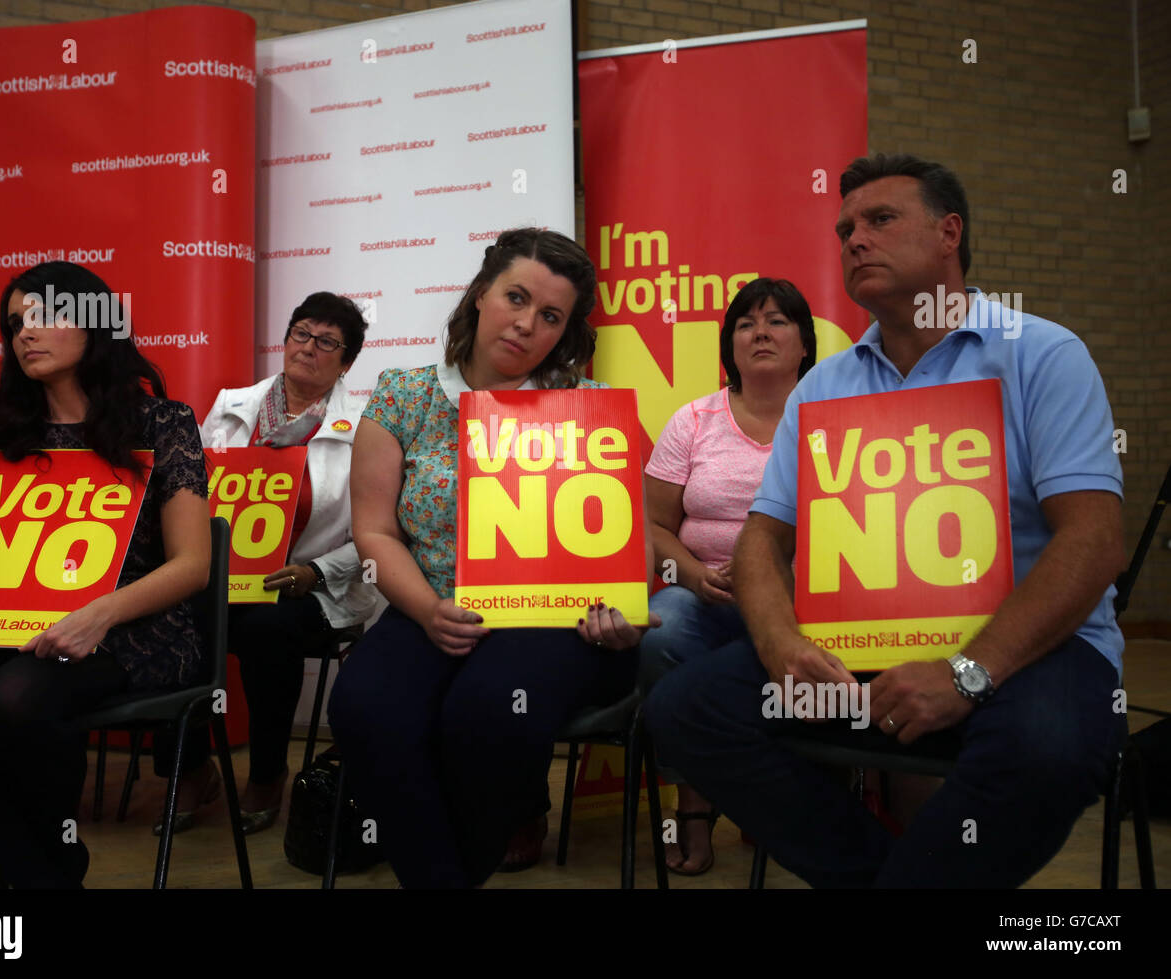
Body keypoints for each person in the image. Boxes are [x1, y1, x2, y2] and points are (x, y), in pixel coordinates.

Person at [647, 153, 1126, 888]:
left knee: (1045, 750)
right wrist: (778, 644)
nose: (854, 240)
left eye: (879, 220)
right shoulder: (825, 386)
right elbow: (764, 540)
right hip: (863, 653)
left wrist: (968, 672)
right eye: (844, 231)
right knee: (689, 708)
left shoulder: (1044, 356)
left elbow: (1093, 541)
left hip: (1034, 652)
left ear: (949, 234)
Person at [328, 228, 658, 888]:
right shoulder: (404, 395)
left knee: (486, 711)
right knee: (365, 706)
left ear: (563, 332)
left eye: (550, 316)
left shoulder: (588, 408)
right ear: (481, 295)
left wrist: (621, 611)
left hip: (554, 622)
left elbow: (635, 551)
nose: (526, 324)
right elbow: (375, 532)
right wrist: (426, 609)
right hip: (433, 605)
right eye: (516, 297)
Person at [0, 261, 210, 887]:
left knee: (17, 695)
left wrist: (99, 613)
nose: (25, 334)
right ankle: (41, 872)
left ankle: (40, 871)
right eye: (15, 324)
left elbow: (193, 565)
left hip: (128, 625)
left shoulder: (162, 423)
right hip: (6, 618)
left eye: (45, 315)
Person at [154, 292, 375, 836]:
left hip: (313, 587)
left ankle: (268, 773)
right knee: (165, 618)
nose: (308, 348)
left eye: (327, 342)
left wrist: (315, 573)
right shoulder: (233, 406)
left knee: (265, 629)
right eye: (301, 333)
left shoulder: (366, 425)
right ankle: (190, 766)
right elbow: (192, 497)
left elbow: (377, 532)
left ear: (346, 362)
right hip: (221, 579)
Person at [641, 277, 815, 874]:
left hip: (805, 602)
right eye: (746, 323)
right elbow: (653, 527)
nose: (760, 332)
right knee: (663, 636)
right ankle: (694, 804)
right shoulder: (693, 419)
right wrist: (689, 575)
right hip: (704, 595)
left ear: (805, 345)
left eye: (777, 321)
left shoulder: (830, 413)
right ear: (729, 345)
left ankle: (778, 799)